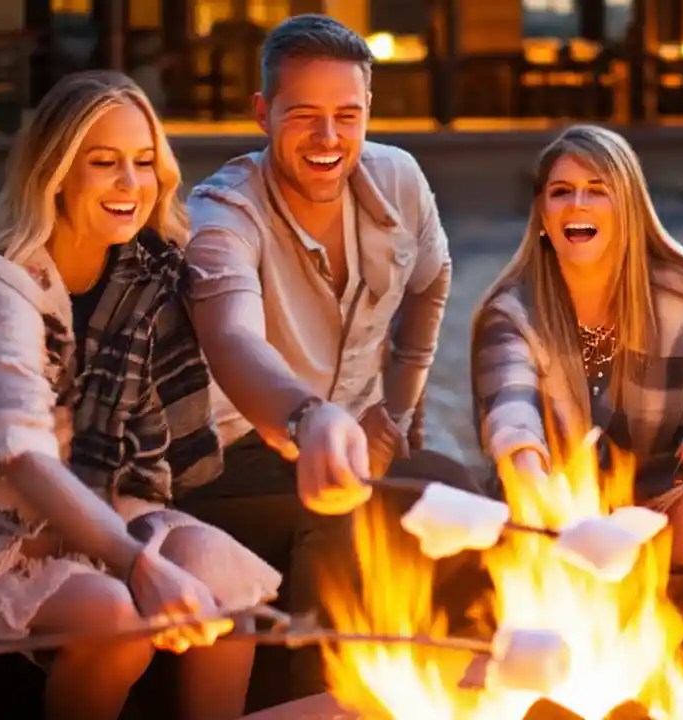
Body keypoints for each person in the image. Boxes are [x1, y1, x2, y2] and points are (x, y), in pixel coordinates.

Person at [0, 70, 280, 720]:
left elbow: (238, 332)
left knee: (227, 590)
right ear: (55, 173)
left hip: (111, 502)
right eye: (104, 163)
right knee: (116, 620)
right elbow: (21, 458)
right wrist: (139, 563)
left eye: (143, 163)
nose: (130, 184)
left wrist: (306, 420)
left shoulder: (152, 275)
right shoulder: (6, 292)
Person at [176, 14, 467, 706]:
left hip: (350, 433)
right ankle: (311, 702)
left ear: (368, 111)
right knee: (338, 508)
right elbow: (231, 337)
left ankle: (426, 693)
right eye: (303, 115)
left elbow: (433, 281)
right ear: (262, 113)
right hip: (227, 452)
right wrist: (312, 422)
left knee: (460, 497)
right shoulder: (222, 211)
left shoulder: (398, 179)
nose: (329, 138)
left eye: (347, 115)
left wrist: (393, 410)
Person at [470, 123, 683, 656]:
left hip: (661, 492)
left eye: (597, 189)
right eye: (561, 192)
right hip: (550, 498)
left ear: (627, 203)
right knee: (553, 542)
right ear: (541, 213)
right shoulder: (510, 312)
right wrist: (543, 497)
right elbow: (513, 423)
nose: (576, 205)